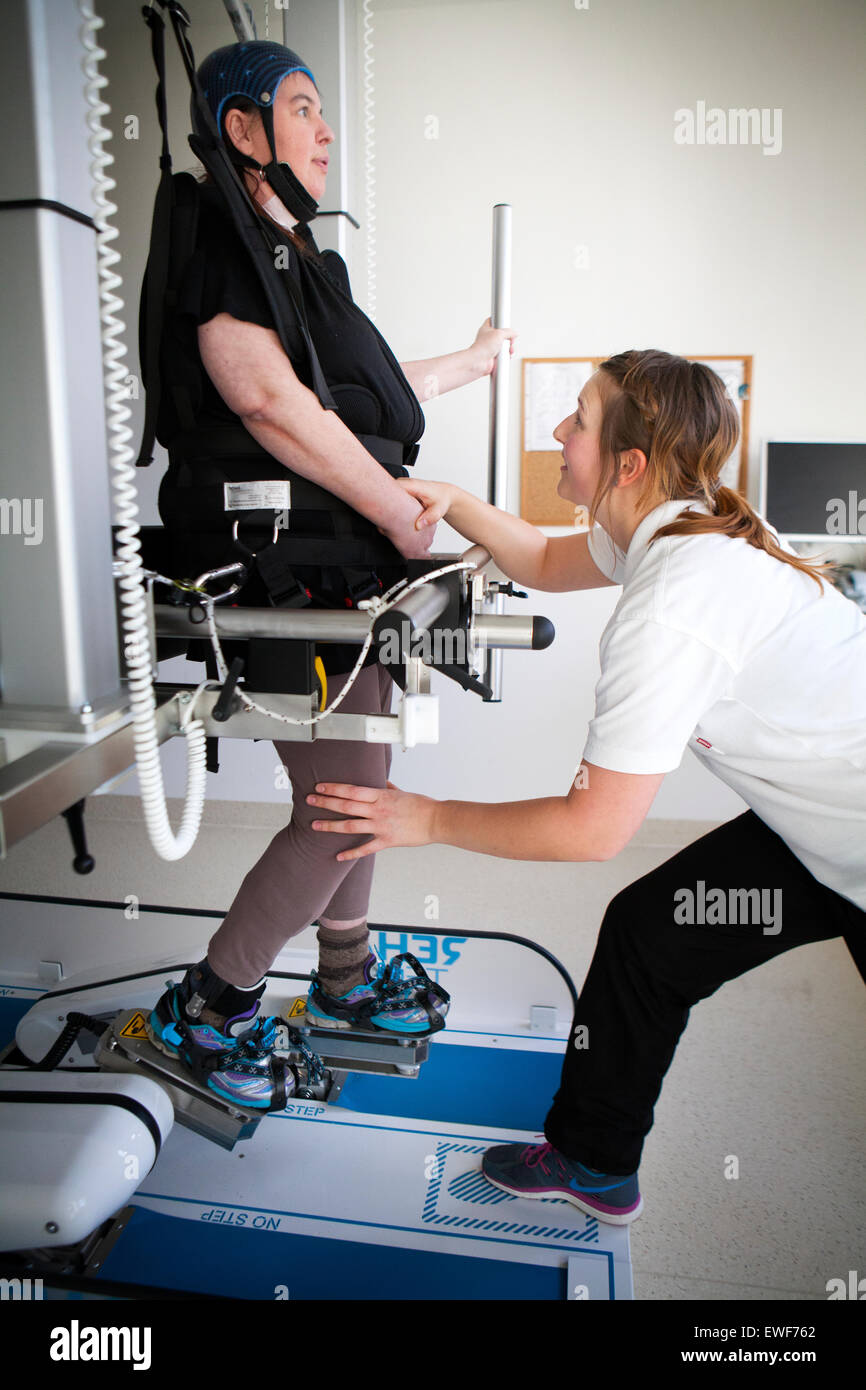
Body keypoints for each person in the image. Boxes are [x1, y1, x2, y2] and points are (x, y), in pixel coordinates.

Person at [308, 348, 866, 1224]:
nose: (560, 434)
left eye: (577, 420)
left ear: (629, 463)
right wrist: (451, 500)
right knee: (651, 935)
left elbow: (593, 828)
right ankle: (595, 1161)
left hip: (853, 829)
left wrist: (431, 816)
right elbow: (540, 555)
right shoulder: (677, 521)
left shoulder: (677, 598)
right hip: (818, 826)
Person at [144, 40, 515, 1110]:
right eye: (301, 108)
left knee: (357, 791)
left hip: (340, 567)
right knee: (345, 808)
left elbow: (369, 393)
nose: (325, 128)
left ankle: (345, 979)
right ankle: (209, 1005)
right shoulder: (220, 233)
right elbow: (266, 404)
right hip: (278, 565)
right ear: (243, 130)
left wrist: (470, 359)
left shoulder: (302, 261)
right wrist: (396, 509)